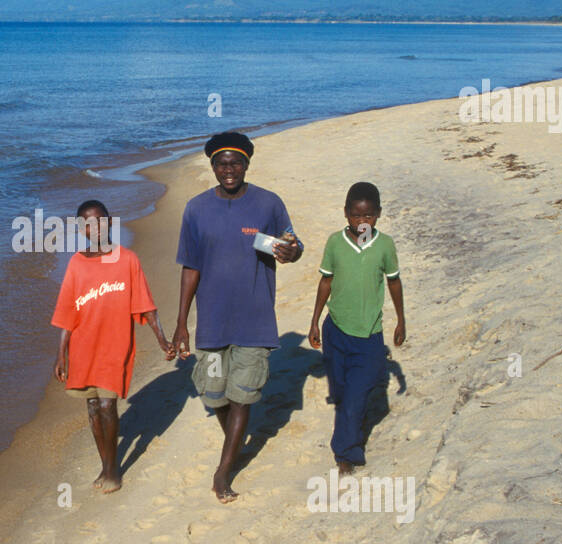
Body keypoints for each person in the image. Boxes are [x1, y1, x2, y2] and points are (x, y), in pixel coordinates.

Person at [171, 131, 303, 503]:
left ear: (247, 164)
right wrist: (182, 322)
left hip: (254, 320)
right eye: (221, 163)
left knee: (243, 397)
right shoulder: (196, 209)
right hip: (212, 322)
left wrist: (290, 252)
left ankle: (223, 471)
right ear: (212, 166)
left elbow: (294, 245)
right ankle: (235, 445)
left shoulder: (268, 204)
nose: (229, 169)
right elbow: (190, 267)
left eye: (236, 162)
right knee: (217, 396)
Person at [53, 200, 172, 493]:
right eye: (86, 223)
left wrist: (162, 340)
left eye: (98, 221)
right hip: (83, 348)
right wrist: (61, 355)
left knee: (108, 404)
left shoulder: (126, 259)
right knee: (93, 406)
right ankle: (105, 466)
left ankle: (112, 471)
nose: (93, 228)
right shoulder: (77, 263)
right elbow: (68, 311)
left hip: (113, 346)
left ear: (109, 222)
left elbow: (145, 304)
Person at [307, 182, 405, 474]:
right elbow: (326, 281)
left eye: (369, 216)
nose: (362, 222)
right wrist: (314, 320)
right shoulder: (335, 243)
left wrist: (401, 319)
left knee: (356, 395)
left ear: (378, 215)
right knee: (340, 392)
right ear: (346, 214)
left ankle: (347, 454)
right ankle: (350, 425)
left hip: (369, 335)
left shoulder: (385, 245)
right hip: (335, 331)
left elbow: (394, 282)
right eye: (355, 216)